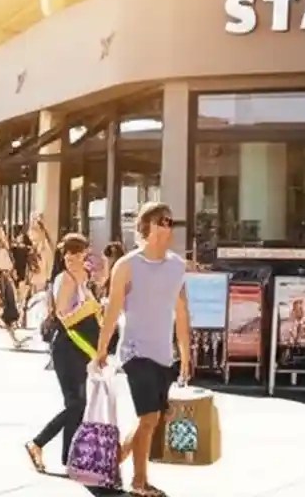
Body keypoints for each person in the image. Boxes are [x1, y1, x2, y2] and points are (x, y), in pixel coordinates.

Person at [94, 202, 191, 497]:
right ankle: (139, 482)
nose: (167, 227)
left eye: (171, 222)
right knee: (149, 418)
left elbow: (182, 311)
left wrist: (186, 355)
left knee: (153, 419)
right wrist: (101, 351)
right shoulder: (127, 265)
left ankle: (114, 461)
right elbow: (111, 312)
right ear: (145, 228)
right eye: (162, 221)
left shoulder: (177, 266)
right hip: (135, 352)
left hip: (163, 352)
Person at [25, 233, 101, 474]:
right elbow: (63, 316)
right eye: (71, 254)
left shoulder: (82, 278)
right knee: (75, 403)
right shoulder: (64, 279)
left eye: (79, 254)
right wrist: (88, 308)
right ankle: (38, 442)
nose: (75, 258)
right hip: (66, 346)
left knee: (78, 403)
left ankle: (69, 459)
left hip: (81, 348)